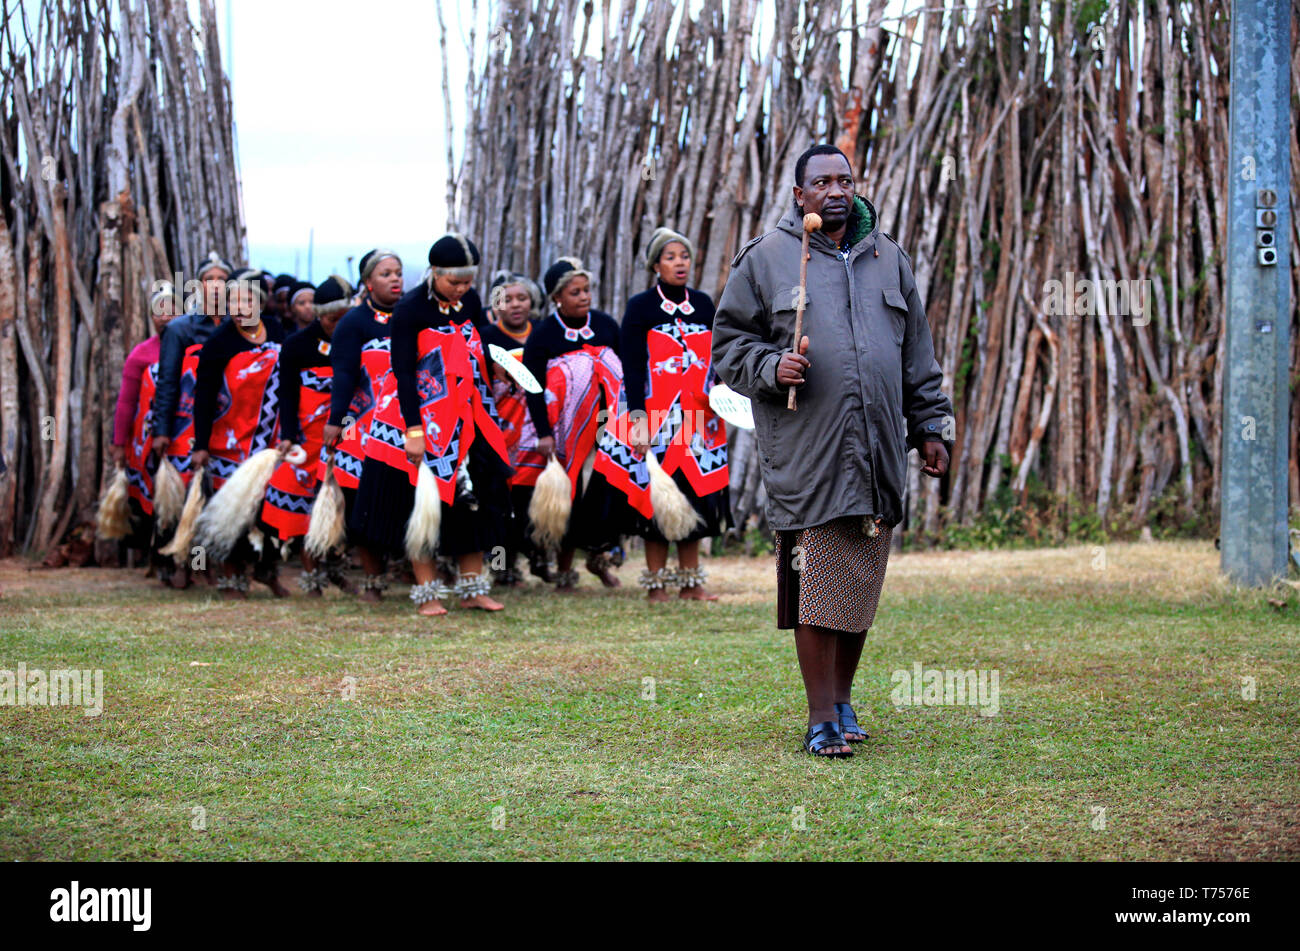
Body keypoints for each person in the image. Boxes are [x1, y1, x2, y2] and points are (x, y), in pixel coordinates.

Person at [711, 144, 954, 759]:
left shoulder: (887, 258)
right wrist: (771, 365)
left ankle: (843, 701)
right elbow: (727, 348)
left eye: (844, 179)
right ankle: (820, 718)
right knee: (817, 584)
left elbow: (916, 357)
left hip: (876, 451)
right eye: (820, 182)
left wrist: (931, 427)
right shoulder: (768, 260)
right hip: (807, 452)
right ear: (800, 196)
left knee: (857, 584)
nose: (835, 190)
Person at [387, 233, 509, 615]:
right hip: (424, 420)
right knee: (426, 504)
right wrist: (414, 431)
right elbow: (403, 373)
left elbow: (476, 349)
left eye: (467, 282)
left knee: (473, 502)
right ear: (434, 272)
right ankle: (428, 593)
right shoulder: (409, 310)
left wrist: (495, 367)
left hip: (470, 419)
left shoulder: (469, 302)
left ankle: (473, 589)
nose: (461, 289)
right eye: (453, 282)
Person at [609, 226, 729, 603]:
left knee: (695, 496)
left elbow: (718, 359)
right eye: (671, 257)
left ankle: (692, 583)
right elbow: (631, 365)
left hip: (700, 421)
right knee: (659, 497)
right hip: (657, 421)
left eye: (685, 256)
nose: (680, 263)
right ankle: (655, 584)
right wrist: (637, 418)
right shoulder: (641, 307)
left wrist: (725, 399)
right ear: (655, 264)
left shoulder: (705, 304)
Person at [521, 258, 627, 590]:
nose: (584, 297)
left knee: (608, 491)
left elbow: (625, 376)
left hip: (607, 425)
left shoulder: (607, 326)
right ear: (557, 297)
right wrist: (543, 434)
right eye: (575, 292)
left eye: (586, 290)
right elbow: (533, 388)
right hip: (565, 429)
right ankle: (564, 572)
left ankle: (600, 560)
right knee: (570, 495)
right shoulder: (543, 335)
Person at [190, 274, 288, 598]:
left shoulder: (274, 329)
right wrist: (201, 445)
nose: (241, 307)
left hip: (269, 440)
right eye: (233, 301)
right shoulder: (219, 342)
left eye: (248, 300)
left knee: (271, 508)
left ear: (260, 303)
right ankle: (231, 577)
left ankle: (266, 568)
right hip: (229, 443)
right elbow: (203, 397)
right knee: (233, 511)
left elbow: (289, 381)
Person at [262, 275, 356, 596]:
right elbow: (286, 395)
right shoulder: (297, 345)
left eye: (345, 319)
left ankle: (336, 569)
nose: (339, 326)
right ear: (318, 315)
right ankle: (311, 575)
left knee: (343, 508)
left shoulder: (359, 340)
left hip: (350, 438)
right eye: (332, 320)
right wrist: (289, 435)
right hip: (308, 439)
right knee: (305, 509)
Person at [324, 249, 405, 600]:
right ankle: (373, 580)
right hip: (362, 427)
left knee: (407, 500)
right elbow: (343, 375)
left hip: (408, 426)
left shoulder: (412, 316)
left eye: (398, 272)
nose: (395, 279)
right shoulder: (353, 323)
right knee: (363, 503)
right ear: (369, 282)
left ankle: (417, 573)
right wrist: (335, 421)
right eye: (386, 274)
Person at [481, 271, 552, 586]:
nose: (515, 305)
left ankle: (536, 558)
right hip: (500, 433)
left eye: (521, 298)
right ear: (496, 304)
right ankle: (500, 567)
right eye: (507, 299)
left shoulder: (542, 334)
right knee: (498, 508)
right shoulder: (485, 338)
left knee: (530, 503)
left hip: (536, 435)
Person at [112, 282, 180, 583]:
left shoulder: (194, 348)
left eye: (171, 310)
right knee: (155, 500)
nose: (165, 317)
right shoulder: (141, 354)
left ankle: (191, 563)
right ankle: (161, 560)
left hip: (184, 436)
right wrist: (118, 443)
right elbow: (126, 402)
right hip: (147, 442)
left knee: (185, 496)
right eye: (158, 311)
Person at [151, 251, 232, 463]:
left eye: (222, 280)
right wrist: (161, 430)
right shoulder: (180, 329)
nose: (216, 286)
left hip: (230, 426)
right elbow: (167, 381)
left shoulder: (237, 329)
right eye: (209, 280)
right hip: (186, 424)